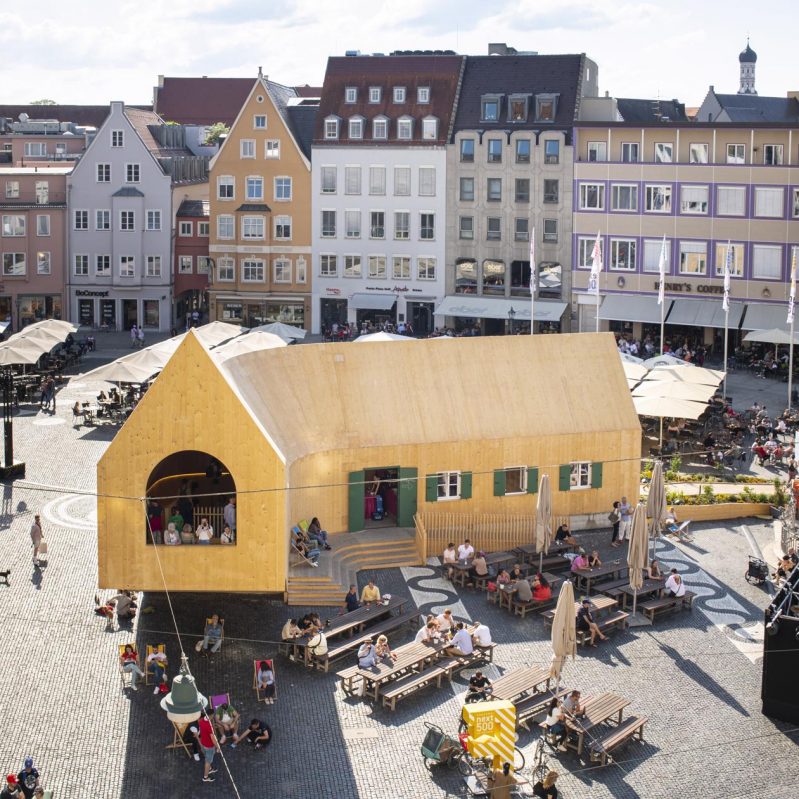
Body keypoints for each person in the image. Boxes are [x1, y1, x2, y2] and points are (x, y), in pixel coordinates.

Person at [198, 713, 219, 782]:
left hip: (203, 743)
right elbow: (213, 738)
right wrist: (218, 747)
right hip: (209, 746)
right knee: (208, 761)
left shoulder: (200, 721)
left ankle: (209, 769)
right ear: (211, 715)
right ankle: (205, 777)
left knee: (206, 756)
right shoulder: (209, 726)